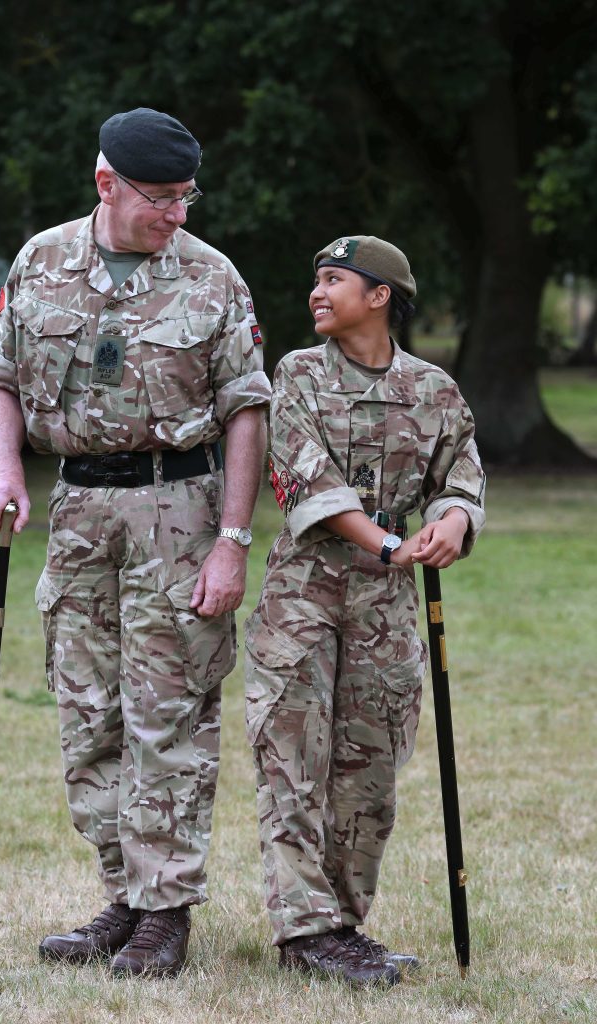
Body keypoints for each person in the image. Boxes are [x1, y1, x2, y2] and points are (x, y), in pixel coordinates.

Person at [0, 107, 270, 977]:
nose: (176, 213)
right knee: (88, 715)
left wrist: (232, 540)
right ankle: (125, 898)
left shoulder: (211, 277)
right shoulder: (41, 261)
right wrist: (6, 473)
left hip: (178, 510)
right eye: (160, 198)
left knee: (168, 716)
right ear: (106, 184)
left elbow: (247, 411)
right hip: (79, 515)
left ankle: (165, 914)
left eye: (186, 197)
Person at [244, 235, 485, 987]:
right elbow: (305, 480)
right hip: (304, 595)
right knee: (292, 761)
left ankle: (343, 926)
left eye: (334, 280)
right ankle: (305, 930)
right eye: (315, 280)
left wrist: (452, 521)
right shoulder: (298, 375)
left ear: (380, 296)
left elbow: (460, 474)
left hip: (386, 607)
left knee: (370, 769)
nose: (316, 292)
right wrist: (387, 543)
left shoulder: (433, 389)